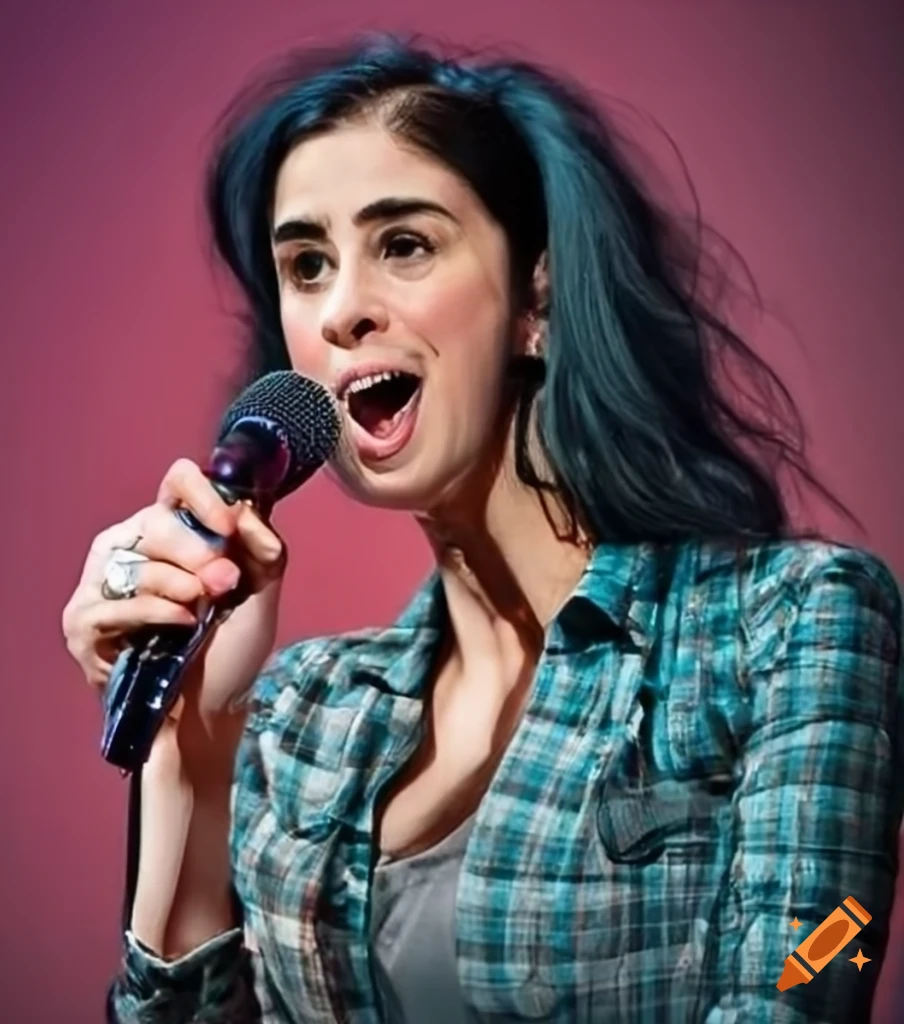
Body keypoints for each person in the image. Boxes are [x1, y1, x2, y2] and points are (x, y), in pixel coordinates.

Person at [61, 34, 904, 1024]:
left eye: (404, 243)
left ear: (533, 299)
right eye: (305, 264)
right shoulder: (299, 718)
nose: (340, 311)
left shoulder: (788, 627)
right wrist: (192, 753)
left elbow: (804, 984)